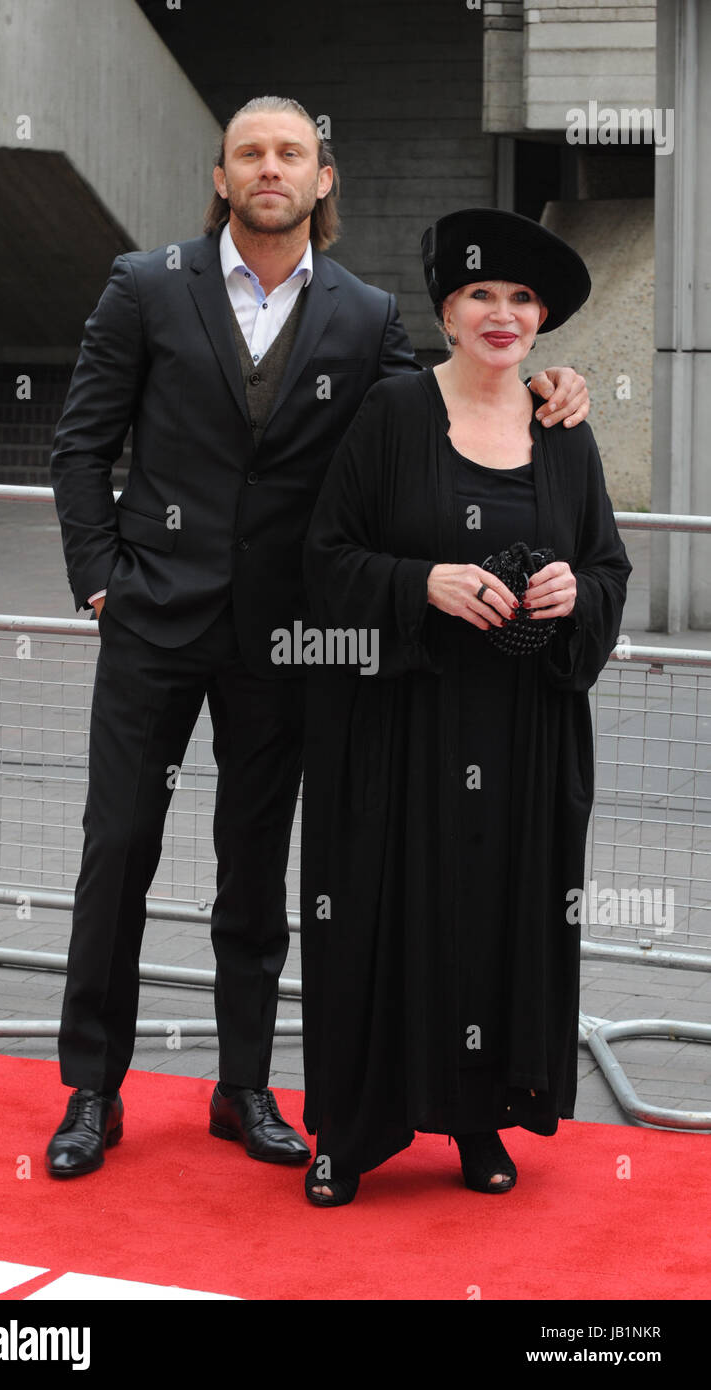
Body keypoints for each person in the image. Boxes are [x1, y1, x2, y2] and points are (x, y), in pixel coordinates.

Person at [46, 96, 590, 1178]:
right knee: (118, 852)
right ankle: (92, 1090)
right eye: (250, 152)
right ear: (222, 173)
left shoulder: (365, 310)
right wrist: (101, 580)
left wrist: (536, 379)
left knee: (256, 867)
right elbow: (80, 444)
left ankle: (242, 1085)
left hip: (287, 640)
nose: (270, 168)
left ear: (322, 178)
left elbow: (436, 404)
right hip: (153, 620)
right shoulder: (144, 285)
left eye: (290, 152)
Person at [300, 207, 631, 1205]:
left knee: (496, 923)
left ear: (540, 323)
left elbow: (608, 564)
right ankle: (346, 1135)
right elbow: (322, 562)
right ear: (445, 309)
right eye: (481, 294)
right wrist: (422, 584)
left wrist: (580, 592)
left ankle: (479, 1119)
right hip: (398, 728)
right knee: (372, 919)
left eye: (521, 299)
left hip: (520, 733)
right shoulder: (392, 414)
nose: (502, 314)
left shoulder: (563, 428)